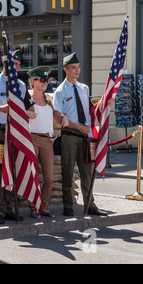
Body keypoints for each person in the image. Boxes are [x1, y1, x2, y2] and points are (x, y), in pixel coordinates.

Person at [0, 50, 34, 224]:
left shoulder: (20, 85)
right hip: (0, 131)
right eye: (14, 63)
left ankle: (9, 207)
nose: (16, 67)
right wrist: (0, 108)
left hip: (16, 132)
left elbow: (28, 108)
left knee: (13, 168)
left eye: (19, 64)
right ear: (5, 64)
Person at [53, 53, 108, 217]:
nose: (77, 71)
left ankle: (90, 205)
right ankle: (68, 206)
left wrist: (105, 103)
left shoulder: (84, 88)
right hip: (69, 136)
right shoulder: (60, 91)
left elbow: (89, 111)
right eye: (73, 68)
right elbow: (57, 117)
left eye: (78, 67)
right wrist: (77, 127)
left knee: (87, 172)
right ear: (66, 70)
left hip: (85, 137)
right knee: (68, 172)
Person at [26, 66, 69, 219]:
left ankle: (43, 207)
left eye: (46, 80)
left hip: (47, 140)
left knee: (49, 178)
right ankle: (33, 208)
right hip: (32, 138)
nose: (45, 83)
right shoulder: (27, 98)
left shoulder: (48, 99)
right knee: (33, 176)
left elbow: (55, 116)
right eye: (42, 80)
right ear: (34, 81)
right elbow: (18, 117)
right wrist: (26, 113)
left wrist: (63, 117)